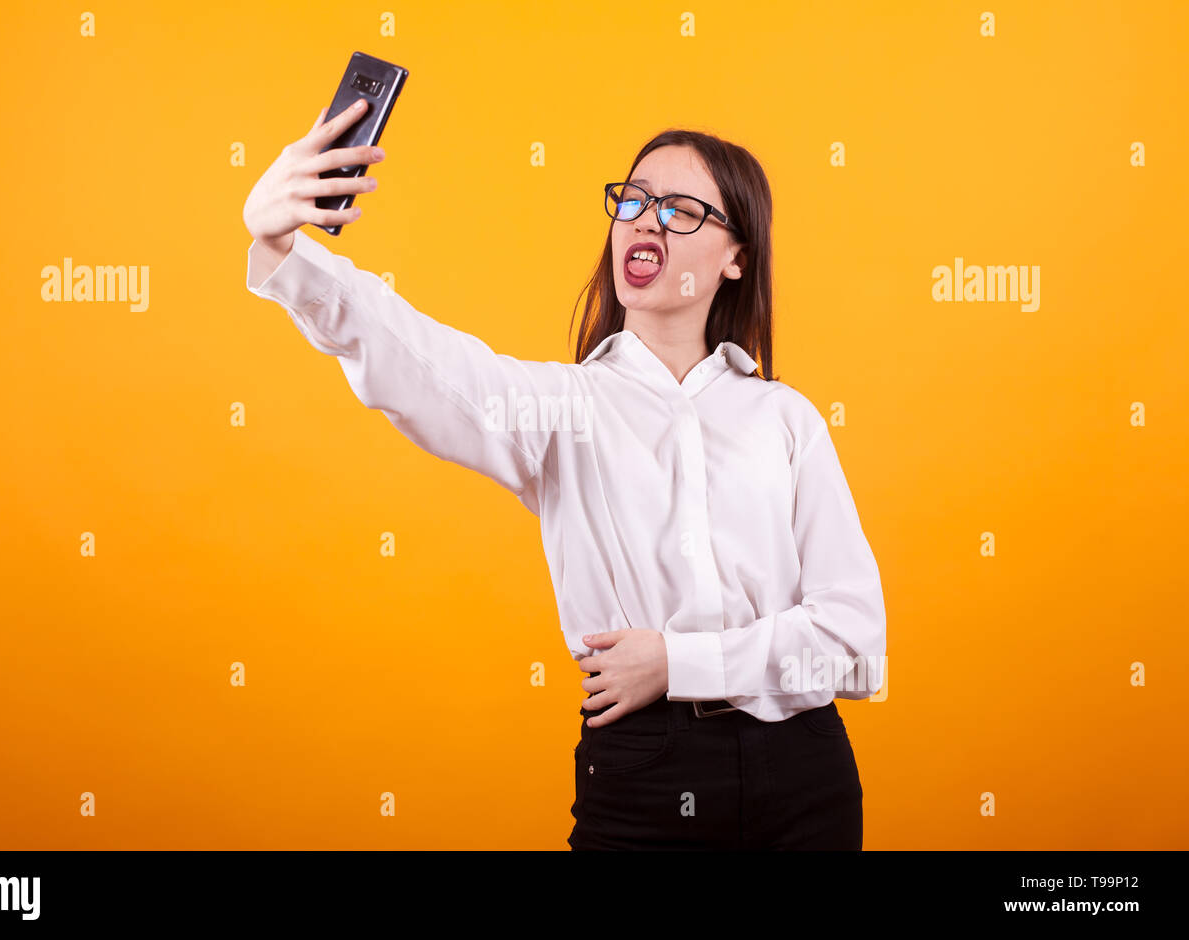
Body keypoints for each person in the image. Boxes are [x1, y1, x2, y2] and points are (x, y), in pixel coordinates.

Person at [242, 98, 887, 850]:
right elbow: (418, 361)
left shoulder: (787, 420)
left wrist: (677, 661)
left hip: (804, 777)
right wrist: (284, 247)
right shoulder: (559, 409)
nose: (646, 221)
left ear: (735, 256)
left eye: (681, 210)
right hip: (643, 774)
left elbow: (853, 646)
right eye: (635, 201)